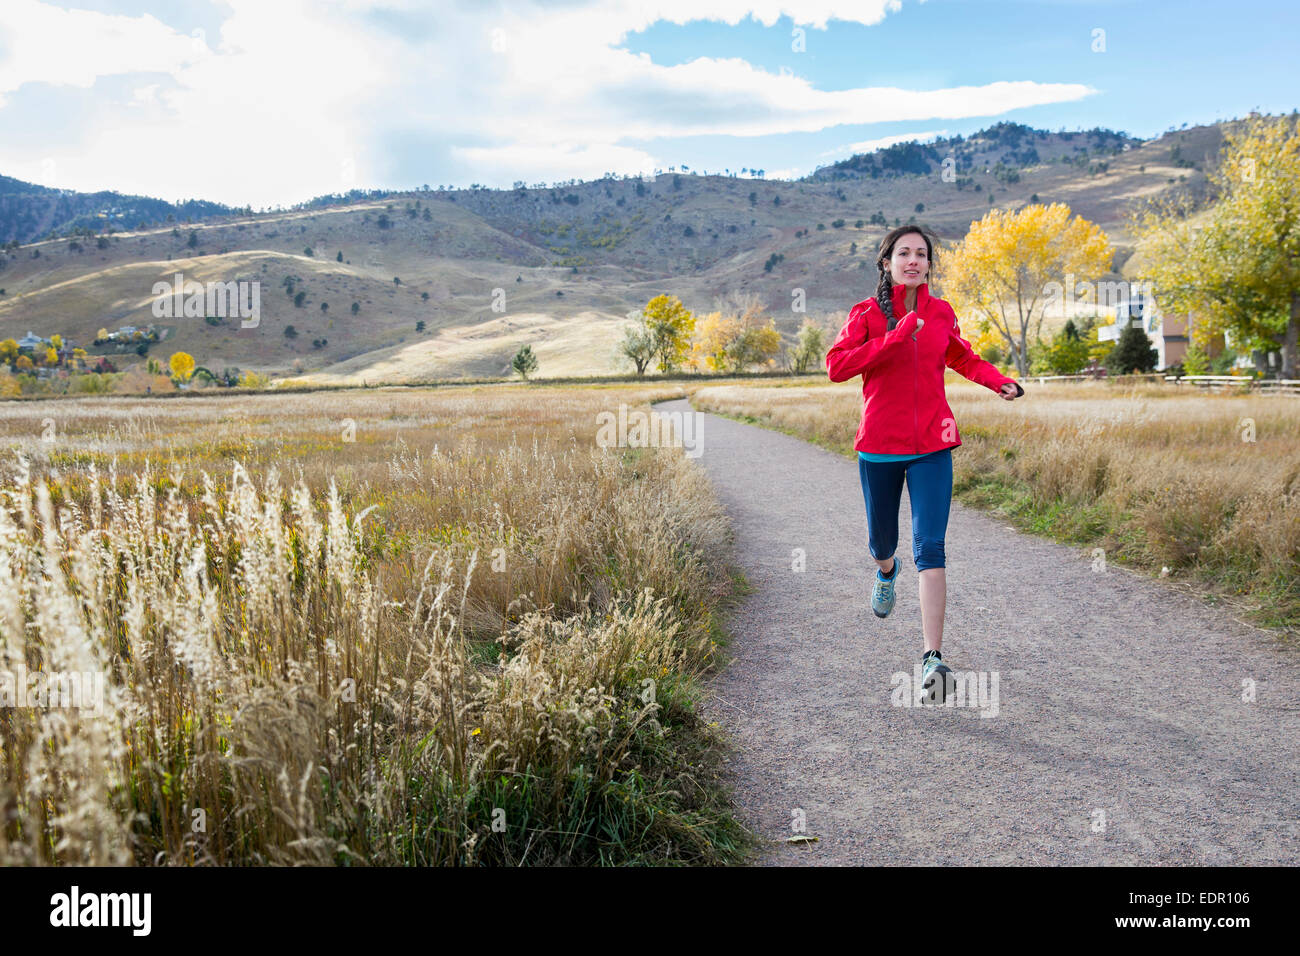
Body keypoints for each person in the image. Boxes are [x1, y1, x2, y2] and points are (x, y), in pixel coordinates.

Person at [826, 226, 1023, 701]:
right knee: (882, 542)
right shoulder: (867, 314)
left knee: (931, 547)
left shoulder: (940, 314)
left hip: (934, 444)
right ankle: (885, 572)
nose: (913, 260)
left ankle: (931, 658)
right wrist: (891, 341)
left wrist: (997, 381)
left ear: (930, 265)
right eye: (903, 253)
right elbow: (836, 366)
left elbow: (961, 356)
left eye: (921, 254)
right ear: (887, 263)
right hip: (879, 446)